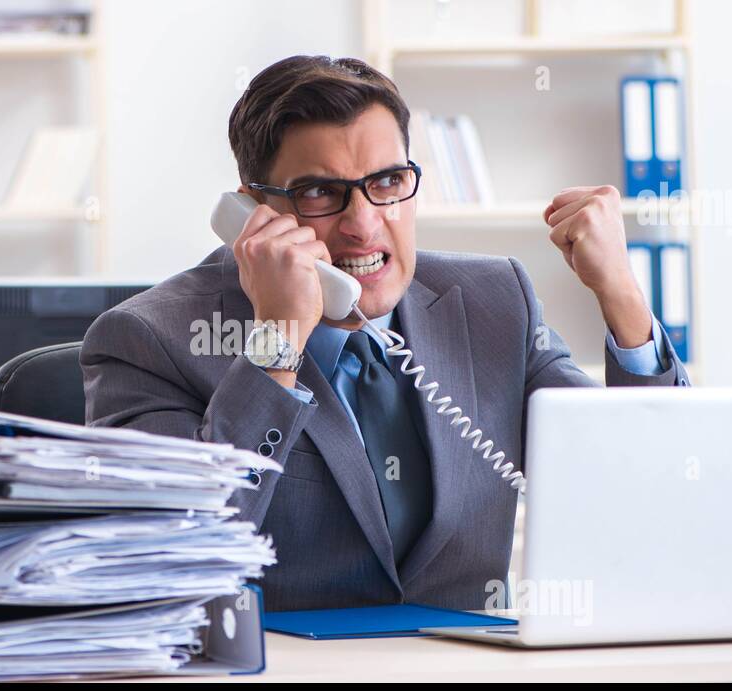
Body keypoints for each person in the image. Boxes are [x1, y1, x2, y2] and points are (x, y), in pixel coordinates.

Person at [82, 55, 689, 611]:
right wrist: (278, 339)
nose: (363, 224)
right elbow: (172, 555)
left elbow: (642, 489)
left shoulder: (493, 302)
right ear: (251, 214)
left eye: (389, 182)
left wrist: (623, 297)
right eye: (320, 193)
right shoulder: (147, 340)